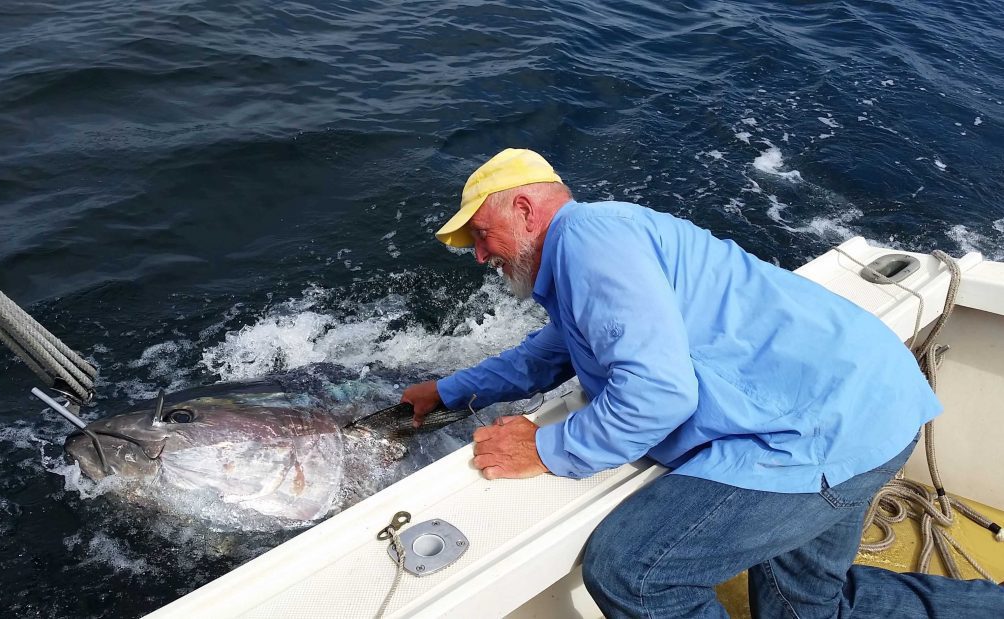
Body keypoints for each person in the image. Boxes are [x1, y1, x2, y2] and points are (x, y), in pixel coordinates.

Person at [400, 148, 1004, 618]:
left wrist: (548, 448)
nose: (480, 255)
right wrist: (448, 391)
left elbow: (658, 394)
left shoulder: (587, 241)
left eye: (481, 235)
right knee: (808, 608)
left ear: (527, 211)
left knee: (636, 571)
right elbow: (550, 354)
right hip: (873, 403)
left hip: (817, 432)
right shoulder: (600, 243)